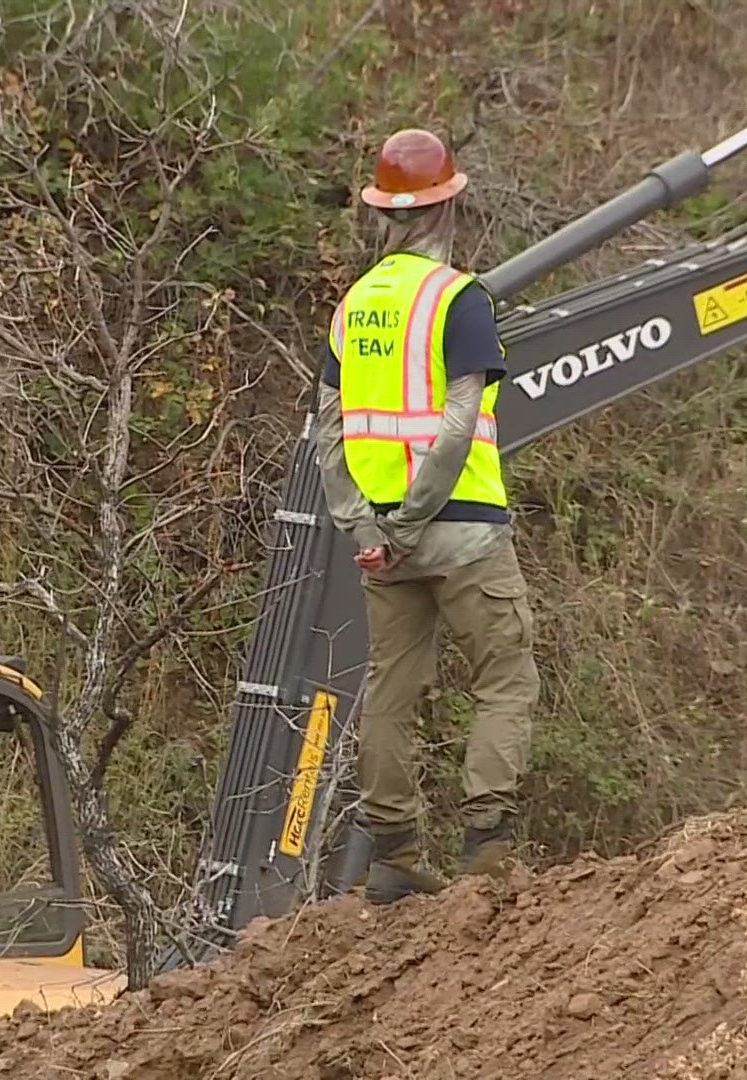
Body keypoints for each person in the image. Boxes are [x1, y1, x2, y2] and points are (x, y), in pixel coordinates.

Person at [312, 127, 542, 904]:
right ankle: (486, 849)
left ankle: (397, 855)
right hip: (463, 529)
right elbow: (456, 421)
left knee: (390, 691)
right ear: (451, 203)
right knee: (504, 677)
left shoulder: (353, 308)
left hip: (382, 542)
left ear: (378, 211)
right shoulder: (459, 299)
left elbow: (327, 431)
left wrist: (366, 528)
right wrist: (410, 521)